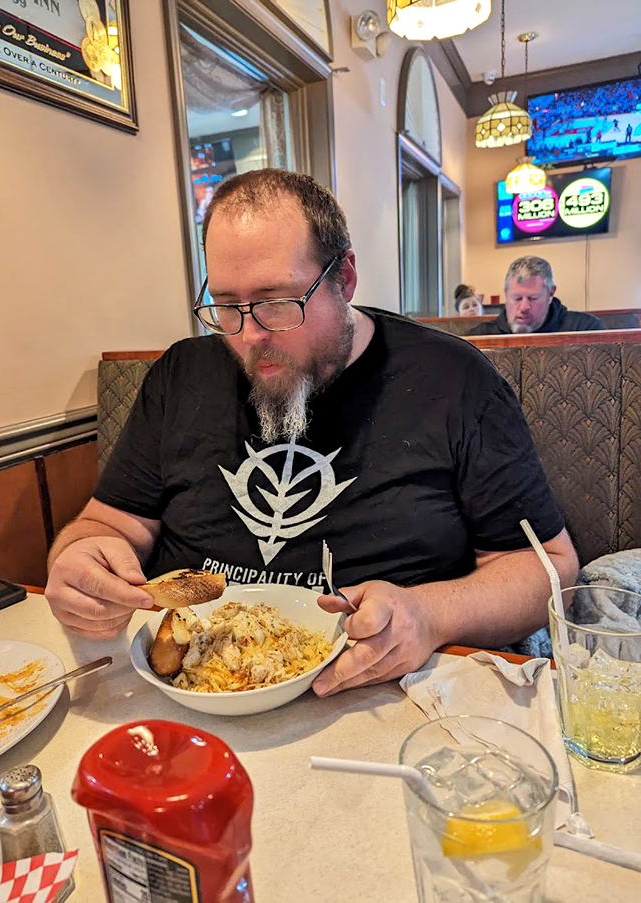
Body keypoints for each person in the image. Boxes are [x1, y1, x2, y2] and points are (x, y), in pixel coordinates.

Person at [45, 170, 578, 697]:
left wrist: (432, 615)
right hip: (185, 687)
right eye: (227, 306)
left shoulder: (454, 380)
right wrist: (81, 560)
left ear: (344, 278)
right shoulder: (179, 375)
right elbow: (108, 524)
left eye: (278, 302)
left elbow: (548, 568)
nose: (251, 337)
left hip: (375, 692)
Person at [468, 256, 604, 335]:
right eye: (517, 298)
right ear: (506, 293)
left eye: (533, 298)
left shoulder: (585, 330)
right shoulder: (480, 337)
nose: (524, 307)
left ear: (551, 294)